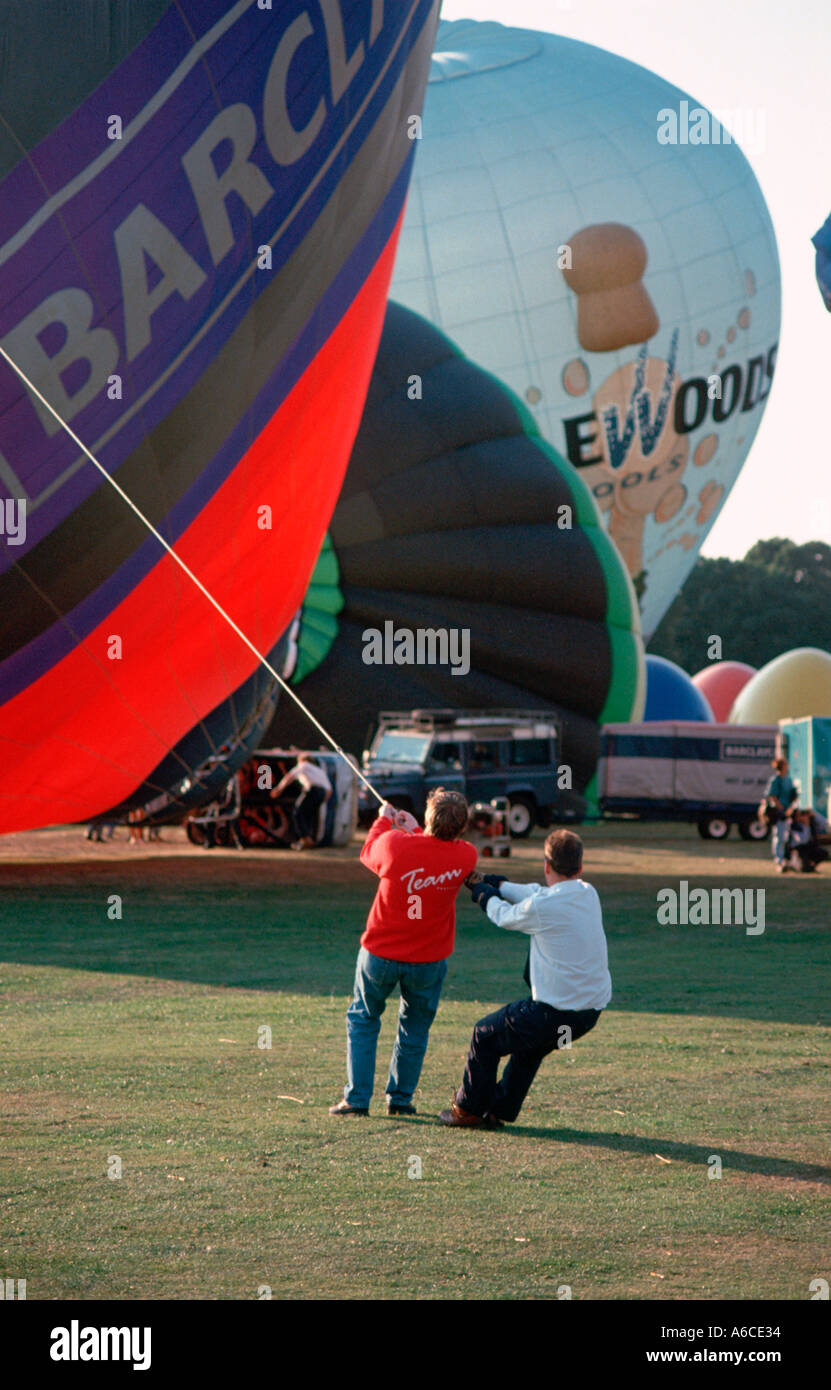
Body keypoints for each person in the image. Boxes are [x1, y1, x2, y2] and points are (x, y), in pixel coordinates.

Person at [439, 829, 611, 1128]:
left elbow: (506, 916)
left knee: (485, 1035)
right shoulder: (589, 892)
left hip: (555, 1013)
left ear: (546, 865)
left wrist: (485, 895)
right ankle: (498, 1110)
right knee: (528, 1048)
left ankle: (467, 1109)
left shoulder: (543, 907)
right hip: (589, 1014)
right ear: (580, 867)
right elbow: (538, 892)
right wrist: (502, 885)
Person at [329, 787, 477, 1117]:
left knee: (363, 1020)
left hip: (380, 953)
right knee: (414, 1028)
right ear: (462, 826)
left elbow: (369, 851)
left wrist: (383, 820)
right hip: (429, 959)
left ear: (428, 817)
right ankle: (400, 1099)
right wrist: (417, 830)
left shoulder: (394, 845)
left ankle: (356, 1099)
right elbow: (437, 848)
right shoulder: (466, 856)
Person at [271, 752, 332, 850]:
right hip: (322, 793)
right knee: (310, 815)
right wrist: (323, 800)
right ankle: (310, 838)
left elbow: (290, 776)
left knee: (297, 812)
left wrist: (278, 789)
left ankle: (305, 838)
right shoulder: (319, 770)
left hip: (312, 790)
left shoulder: (303, 766)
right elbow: (329, 789)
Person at [762, 757, 798, 872]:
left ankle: (787, 858)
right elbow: (772, 796)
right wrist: (781, 808)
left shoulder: (788, 779)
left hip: (788, 811)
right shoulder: (776, 780)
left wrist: (791, 807)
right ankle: (779, 859)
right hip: (780, 812)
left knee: (787, 835)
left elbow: (793, 794)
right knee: (779, 834)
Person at [786, 807, 830, 873]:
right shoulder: (794, 826)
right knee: (802, 868)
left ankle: (811, 866)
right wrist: (806, 826)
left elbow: (825, 825)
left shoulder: (811, 823)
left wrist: (815, 815)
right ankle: (793, 865)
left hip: (808, 848)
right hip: (798, 850)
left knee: (823, 853)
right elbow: (803, 840)